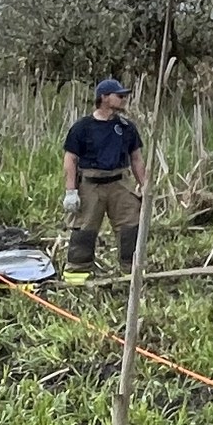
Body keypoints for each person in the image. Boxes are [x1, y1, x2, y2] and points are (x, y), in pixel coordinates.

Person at [60, 78, 147, 283]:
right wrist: (71, 191)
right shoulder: (82, 128)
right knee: (85, 228)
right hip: (91, 185)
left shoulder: (126, 127)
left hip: (119, 184)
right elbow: (70, 159)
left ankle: (131, 273)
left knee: (130, 227)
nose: (124, 99)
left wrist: (145, 185)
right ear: (104, 98)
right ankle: (77, 274)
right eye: (119, 96)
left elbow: (136, 158)